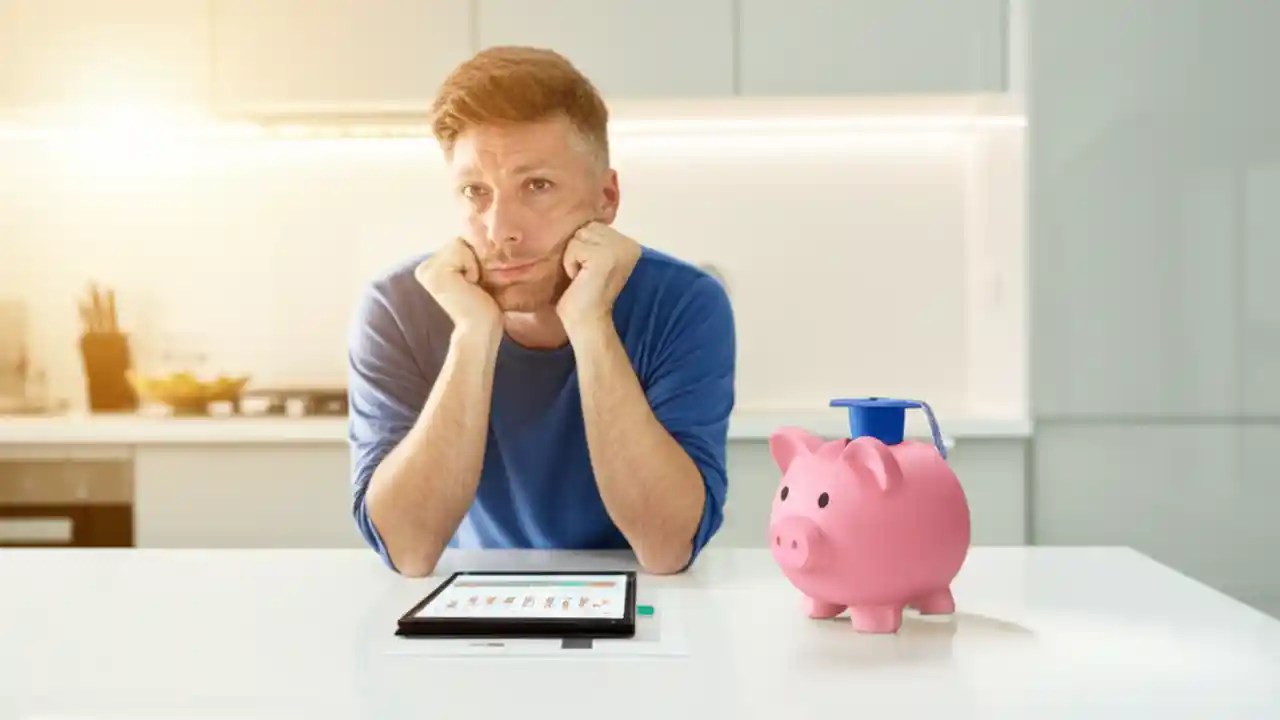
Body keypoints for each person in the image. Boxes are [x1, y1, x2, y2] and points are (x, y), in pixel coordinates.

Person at [345, 46, 736, 578]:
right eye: (475, 191)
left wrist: (591, 324)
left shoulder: (686, 303)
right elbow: (407, 550)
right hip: (470, 602)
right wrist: (473, 334)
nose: (501, 229)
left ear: (606, 197)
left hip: (650, 604)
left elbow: (668, 548)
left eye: (538, 186)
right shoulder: (397, 307)